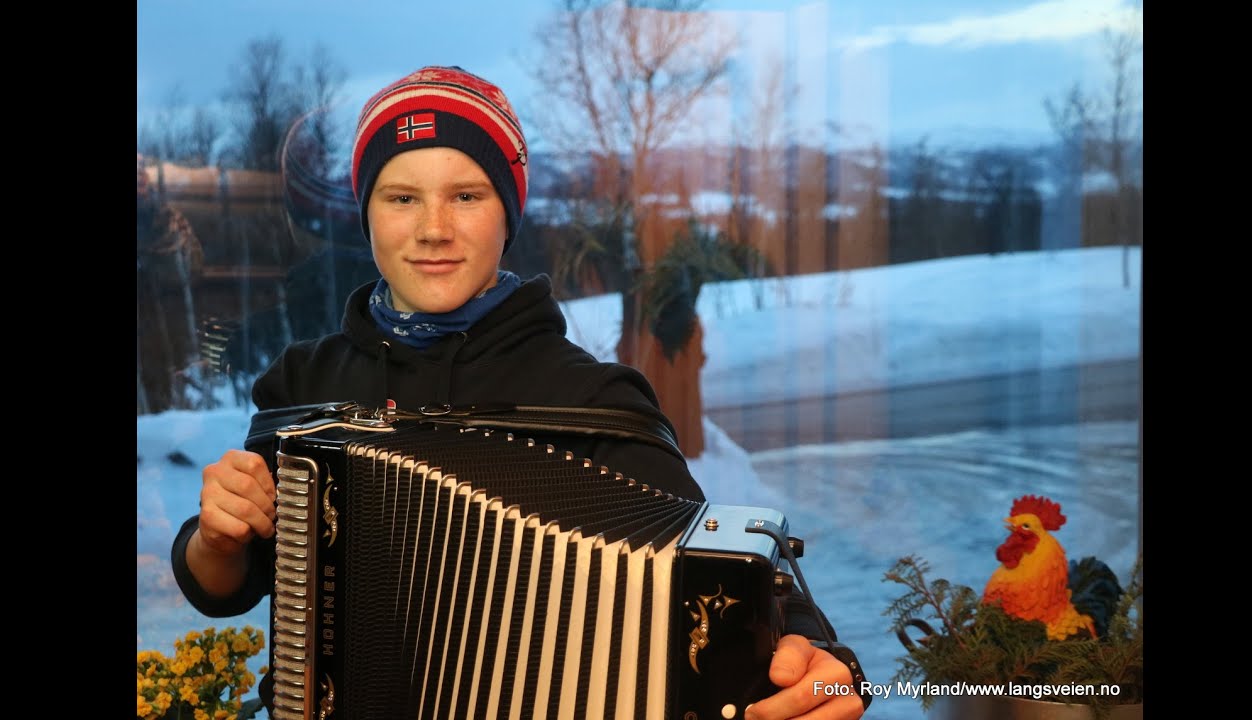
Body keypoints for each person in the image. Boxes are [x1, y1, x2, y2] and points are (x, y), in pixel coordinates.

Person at [171, 65, 867, 719]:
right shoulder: (304, 385)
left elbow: (719, 570)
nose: (433, 228)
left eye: (466, 196)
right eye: (401, 197)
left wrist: (818, 655)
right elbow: (230, 580)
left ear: (507, 215)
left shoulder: (593, 401)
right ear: (368, 216)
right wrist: (218, 540)